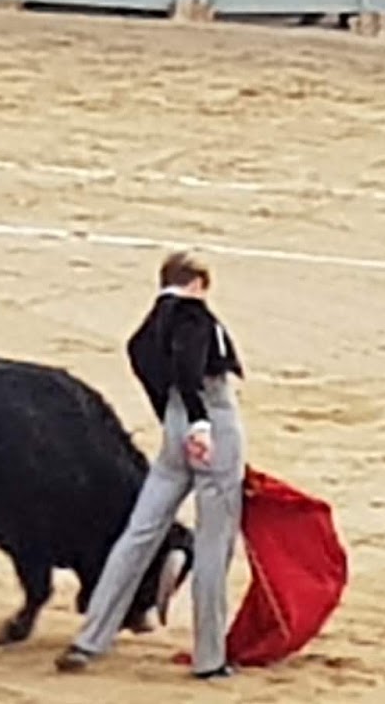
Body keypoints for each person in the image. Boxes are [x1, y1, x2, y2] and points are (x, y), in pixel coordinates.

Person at [55, 250, 246, 680]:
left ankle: (91, 640)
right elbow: (188, 367)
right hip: (212, 426)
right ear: (197, 282)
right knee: (215, 545)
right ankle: (210, 658)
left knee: (139, 533)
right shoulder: (194, 317)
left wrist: (175, 422)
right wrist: (199, 425)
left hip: (173, 431)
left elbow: (154, 369)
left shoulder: (145, 332)